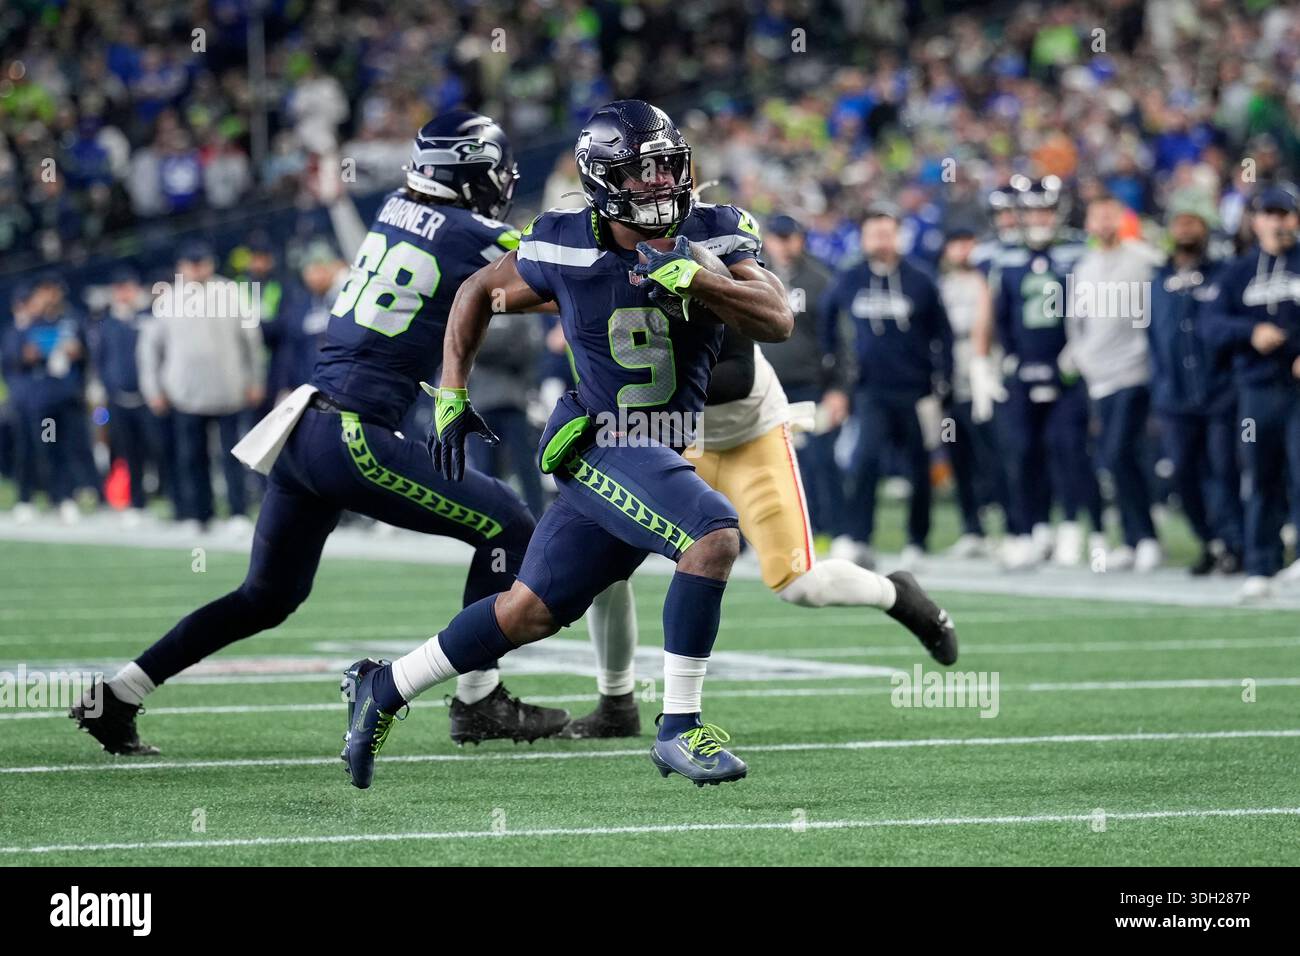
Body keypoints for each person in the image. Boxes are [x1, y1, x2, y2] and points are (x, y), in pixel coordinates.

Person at [69, 111, 567, 756]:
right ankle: (478, 699)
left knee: (265, 596)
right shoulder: (473, 233)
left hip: (305, 428)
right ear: (471, 174)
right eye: (497, 171)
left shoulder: (395, 208)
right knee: (510, 523)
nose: (502, 182)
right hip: (353, 433)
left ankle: (119, 693)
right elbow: (567, 281)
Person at [338, 100, 794, 789]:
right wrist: (451, 391)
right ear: (603, 178)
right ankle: (680, 727)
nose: (662, 183)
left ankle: (386, 684)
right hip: (599, 441)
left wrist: (697, 277)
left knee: (527, 612)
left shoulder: (715, 231)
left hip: (659, 448)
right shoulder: (560, 241)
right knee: (713, 536)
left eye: (669, 166)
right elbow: (477, 291)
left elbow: (779, 318)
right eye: (642, 172)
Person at [561, 320, 958, 739]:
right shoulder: (606, 281)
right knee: (604, 563)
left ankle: (896, 594)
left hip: (748, 436)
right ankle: (617, 702)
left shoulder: (707, 280)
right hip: (670, 440)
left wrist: (636, 382)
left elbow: (738, 374)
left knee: (800, 584)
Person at [977, 175, 1100, 569]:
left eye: (1046, 210)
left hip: (1068, 368)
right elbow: (996, 314)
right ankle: (1032, 529)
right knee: (1022, 452)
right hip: (1022, 367)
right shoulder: (1004, 257)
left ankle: (1073, 528)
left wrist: (1080, 351)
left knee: (1068, 451)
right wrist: (993, 361)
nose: (1039, 218)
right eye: (1032, 211)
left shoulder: (1079, 251)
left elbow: (1092, 308)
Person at [822, 202, 954, 569]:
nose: (881, 240)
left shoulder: (921, 278)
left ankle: (918, 540)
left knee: (918, 467)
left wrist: (944, 381)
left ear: (898, 236)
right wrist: (834, 375)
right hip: (870, 389)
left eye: (887, 233)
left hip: (916, 390)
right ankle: (858, 537)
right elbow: (827, 323)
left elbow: (943, 334)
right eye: (874, 233)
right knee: (865, 460)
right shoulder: (849, 277)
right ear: (863, 238)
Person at [1204, 184, 1300, 601]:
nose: (1278, 222)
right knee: (1259, 474)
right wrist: (1250, 331)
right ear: (1256, 221)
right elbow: (1210, 324)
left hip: (1297, 389)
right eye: (1270, 214)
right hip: (1255, 390)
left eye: (1285, 213)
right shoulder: (1238, 272)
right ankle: (1261, 563)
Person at [137, 240, 265, 531]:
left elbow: (252, 341)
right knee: (191, 457)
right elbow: (149, 350)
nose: (197, 269)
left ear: (211, 263)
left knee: (233, 455)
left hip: (229, 389)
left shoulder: (232, 293)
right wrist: (153, 390)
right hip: (185, 393)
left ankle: (237, 512)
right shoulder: (168, 298)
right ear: (181, 266)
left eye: (201, 262)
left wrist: (255, 380)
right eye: (191, 263)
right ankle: (199, 514)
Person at [1065, 194, 1164, 571]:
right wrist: (1081, 357)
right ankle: (1132, 537)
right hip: (1098, 375)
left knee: (1121, 453)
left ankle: (1146, 536)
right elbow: (1075, 321)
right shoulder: (1084, 266)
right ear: (1088, 223)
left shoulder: (1145, 259)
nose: (1104, 223)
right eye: (1098, 216)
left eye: (1110, 215)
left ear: (1121, 219)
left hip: (1134, 371)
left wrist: (1149, 356)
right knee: (1112, 458)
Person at [1146, 192, 1243, 575]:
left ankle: (1233, 543)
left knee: (1223, 470)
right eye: (1180, 222)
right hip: (1174, 397)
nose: (1185, 229)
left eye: (1193, 221)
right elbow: (1153, 337)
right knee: (1183, 471)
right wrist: (1160, 385)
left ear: (1206, 227)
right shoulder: (1158, 279)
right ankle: (1208, 540)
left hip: (1220, 391)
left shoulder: (1225, 273)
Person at [758, 213, 843, 536]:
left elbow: (840, 339)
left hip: (810, 387)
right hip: (763, 388)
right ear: (767, 240)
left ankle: (825, 531)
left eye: (789, 238)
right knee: (762, 463)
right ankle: (765, 536)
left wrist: (838, 388)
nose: (783, 245)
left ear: (800, 239)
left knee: (817, 460)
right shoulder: (752, 275)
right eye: (777, 238)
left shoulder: (820, 280)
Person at [937, 226, 1007, 557]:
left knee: (993, 454)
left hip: (986, 378)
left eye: (968, 243)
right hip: (952, 382)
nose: (963, 251)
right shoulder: (941, 285)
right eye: (957, 244)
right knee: (958, 454)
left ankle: (1009, 525)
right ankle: (972, 527)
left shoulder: (990, 280)